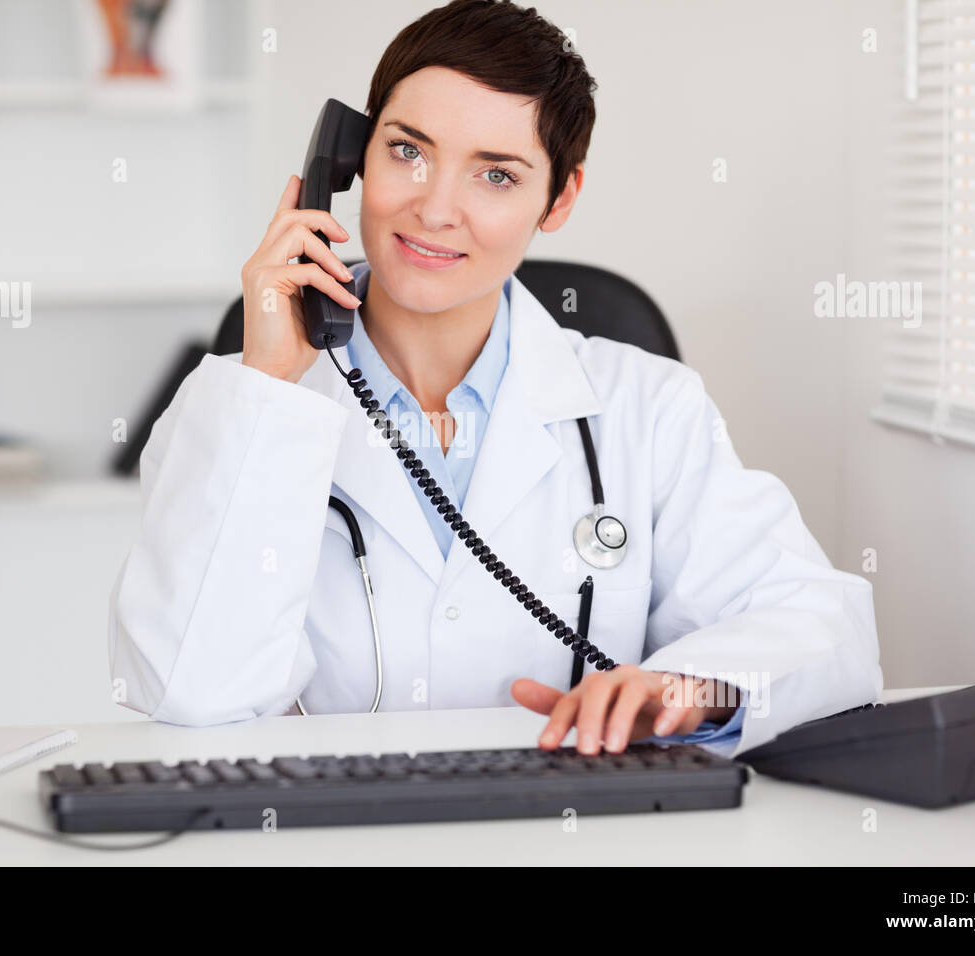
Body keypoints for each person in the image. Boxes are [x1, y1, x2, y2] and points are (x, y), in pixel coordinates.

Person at [108, 0, 882, 758]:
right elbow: (188, 694)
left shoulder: (647, 406)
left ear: (561, 198)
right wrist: (272, 385)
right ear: (348, 159)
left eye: (498, 176)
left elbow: (822, 625)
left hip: (570, 833)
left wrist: (688, 687)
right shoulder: (240, 404)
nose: (436, 209)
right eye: (407, 151)